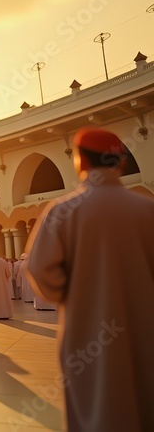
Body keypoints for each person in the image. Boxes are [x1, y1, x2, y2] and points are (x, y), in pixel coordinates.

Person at [26, 127, 154, 432]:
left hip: (88, 335)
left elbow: (40, 269)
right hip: (145, 328)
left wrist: (79, 293)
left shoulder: (63, 211)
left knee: (95, 404)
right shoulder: (147, 210)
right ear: (121, 162)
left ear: (81, 162)